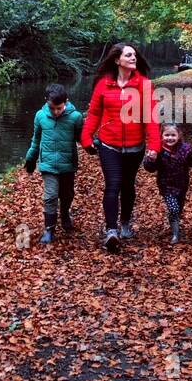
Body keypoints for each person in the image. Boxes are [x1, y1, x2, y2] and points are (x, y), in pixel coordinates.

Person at [80, 42, 161, 253]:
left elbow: (151, 118)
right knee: (112, 185)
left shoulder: (144, 84)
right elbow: (94, 113)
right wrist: (86, 137)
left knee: (128, 186)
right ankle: (111, 231)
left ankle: (125, 222)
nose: (133, 58)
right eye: (128, 55)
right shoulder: (103, 84)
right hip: (109, 144)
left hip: (135, 147)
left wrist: (154, 145)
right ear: (118, 60)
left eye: (134, 55)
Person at [24, 83, 83, 244]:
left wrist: (93, 144)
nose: (56, 112)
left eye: (59, 108)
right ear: (46, 102)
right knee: (50, 196)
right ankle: (49, 229)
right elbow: (36, 140)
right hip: (48, 164)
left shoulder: (76, 117)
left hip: (67, 164)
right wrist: (30, 159)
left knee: (67, 194)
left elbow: (81, 138)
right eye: (52, 108)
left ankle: (64, 214)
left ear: (66, 102)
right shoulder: (40, 116)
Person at [143, 123, 192, 244]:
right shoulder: (159, 150)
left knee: (178, 207)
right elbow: (150, 168)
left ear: (179, 135)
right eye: (167, 135)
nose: (170, 138)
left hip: (182, 184)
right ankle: (175, 235)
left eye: (173, 135)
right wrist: (151, 159)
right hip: (166, 185)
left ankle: (174, 221)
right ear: (161, 136)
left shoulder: (185, 149)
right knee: (173, 207)